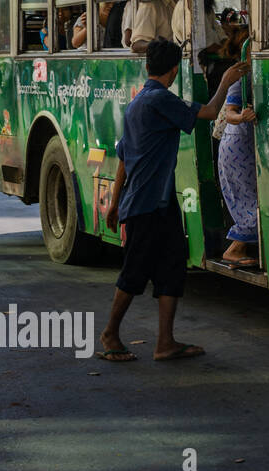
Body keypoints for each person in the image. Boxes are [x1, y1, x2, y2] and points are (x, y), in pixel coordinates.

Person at [100, 39, 247, 362]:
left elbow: (123, 155)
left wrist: (113, 203)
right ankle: (110, 334)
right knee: (134, 272)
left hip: (159, 203)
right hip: (146, 205)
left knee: (172, 267)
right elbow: (209, 112)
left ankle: (165, 342)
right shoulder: (159, 101)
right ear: (174, 70)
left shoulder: (138, 102)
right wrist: (225, 81)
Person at [217, 77, 259, 266]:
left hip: (248, 144)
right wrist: (242, 117)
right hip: (238, 149)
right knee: (251, 201)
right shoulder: (241, 81)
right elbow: (230, 114)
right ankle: (234, 249)